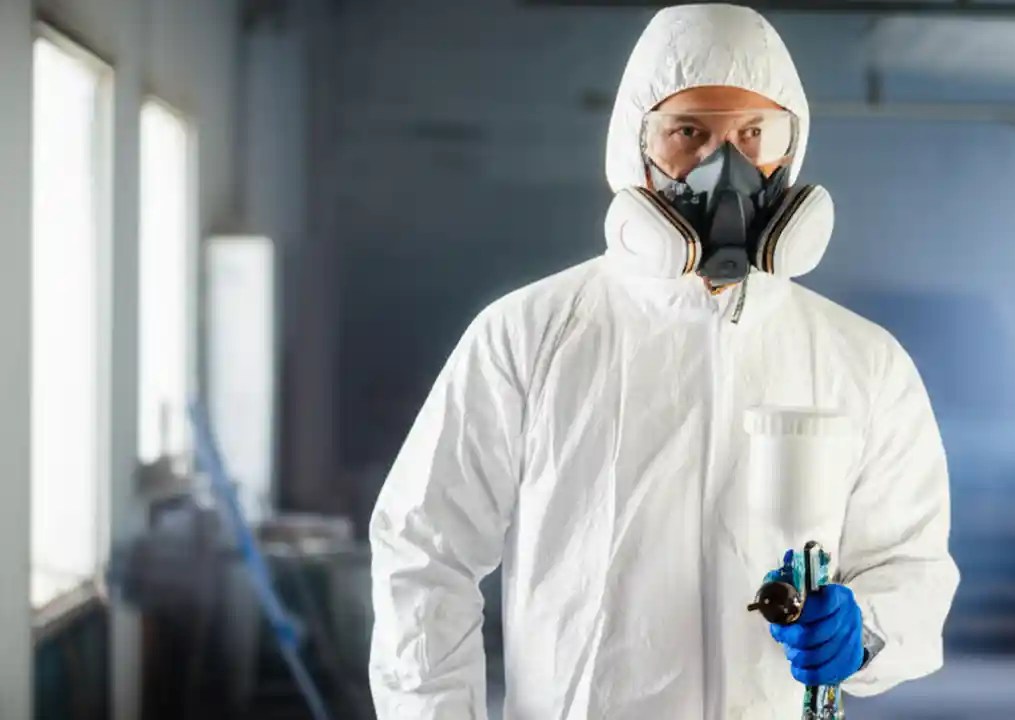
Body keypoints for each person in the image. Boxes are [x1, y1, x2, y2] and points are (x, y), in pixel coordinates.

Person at [368, 4, 959, 718]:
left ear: (790, 148)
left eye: (753, 134)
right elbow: (425, 552)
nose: (727, 166)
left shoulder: (864, 363)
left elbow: (913, 569)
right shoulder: (531, 334)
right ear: (636, 147)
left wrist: (867, 632)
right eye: (690, 132)